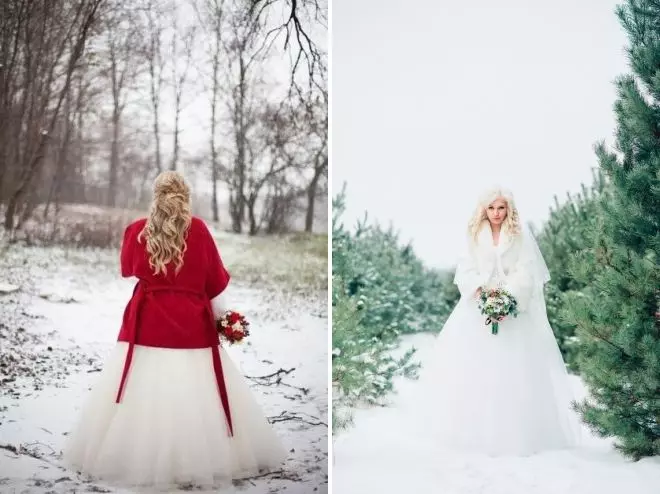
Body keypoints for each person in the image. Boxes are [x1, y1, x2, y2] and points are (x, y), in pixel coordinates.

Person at [62, 171, 287, 488]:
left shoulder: (138, 230)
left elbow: (127, 269)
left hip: (146, 323)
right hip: (191, 323)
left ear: (155, 196)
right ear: (186, 196)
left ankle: (129, 458)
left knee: (138, 390)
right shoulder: (200, 231)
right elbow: (215, 283)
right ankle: (200, 460)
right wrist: (224, 318)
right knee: (196, 390)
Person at [404, 186, 580, 456]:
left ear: (509, 209)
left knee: (515, 369)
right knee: (473, 369)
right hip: (478, 306)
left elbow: (526, 271)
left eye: (501, 208)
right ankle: (472, 433)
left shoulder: (519, 236)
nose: (496, 213)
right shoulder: (474, 235)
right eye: (491, 208)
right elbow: (466, 269)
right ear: (484, 209)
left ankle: (518, 435)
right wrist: (484, 294)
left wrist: (506, 299)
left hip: (512, 310)